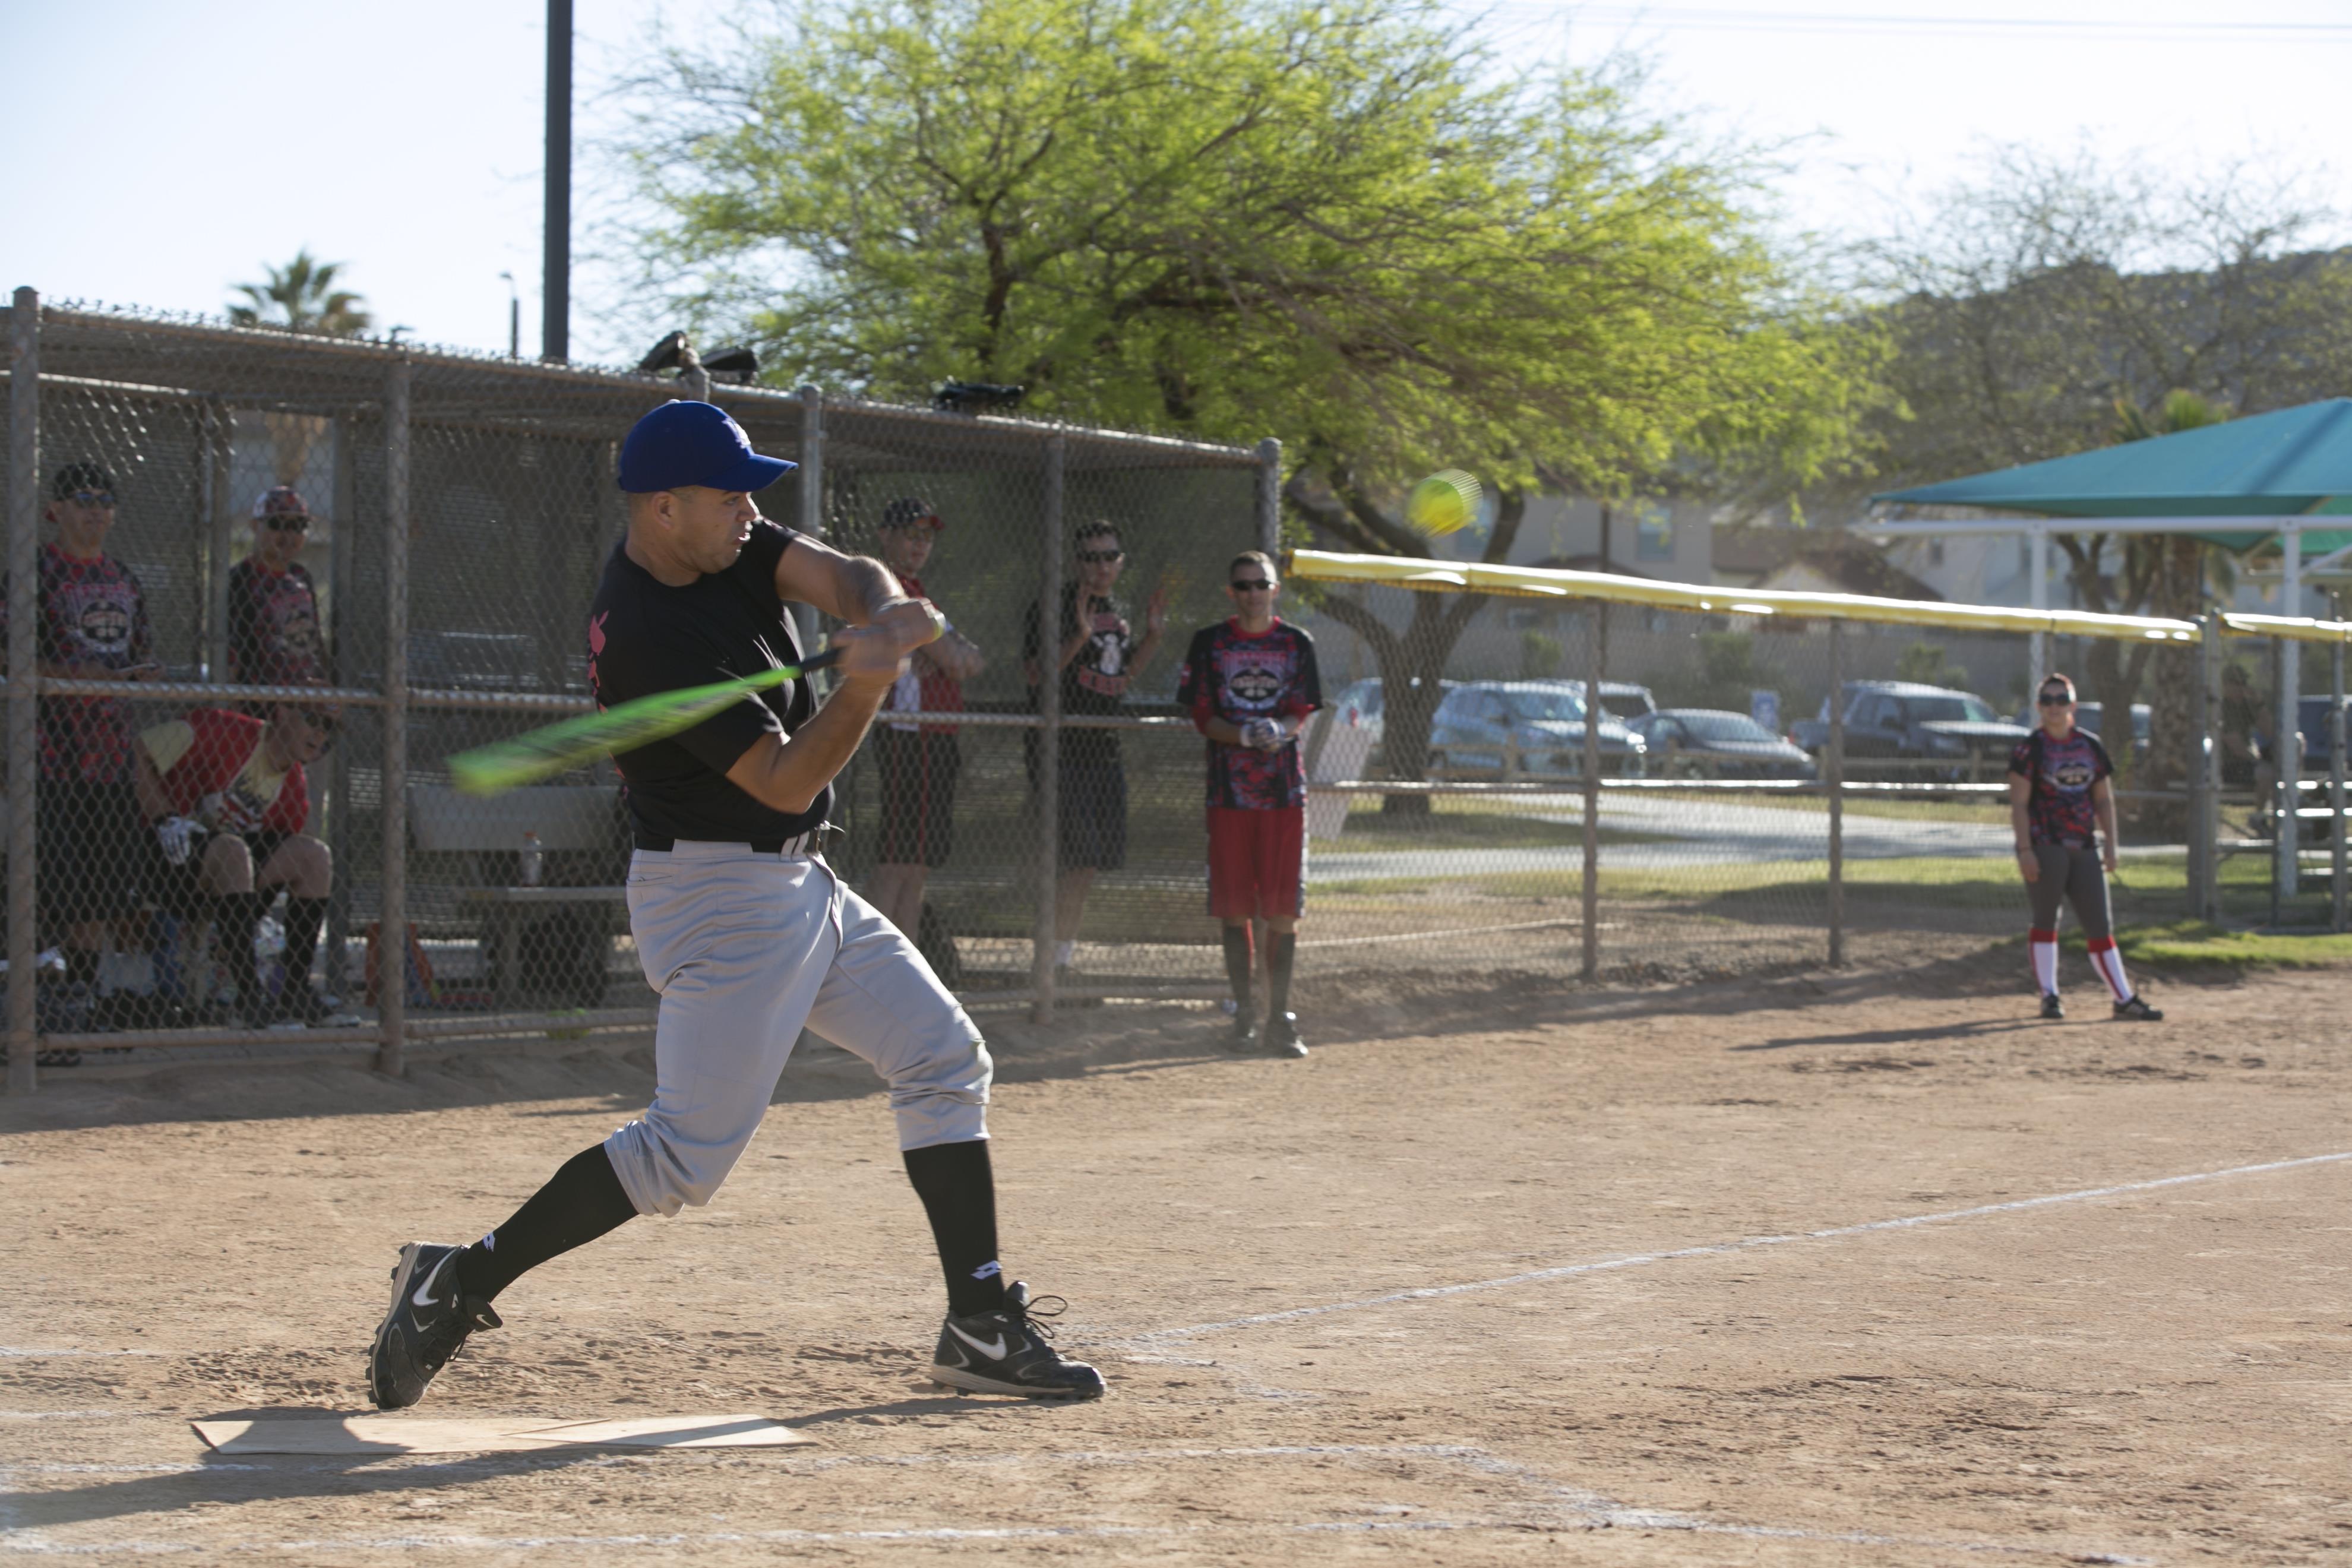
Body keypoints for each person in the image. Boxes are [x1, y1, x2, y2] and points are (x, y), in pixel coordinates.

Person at [368, 400, 1102, 1411]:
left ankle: (976, 1320)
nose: (751, 512)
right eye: (730, 496)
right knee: (680, 1156)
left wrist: (883, 609)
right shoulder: (651, 636)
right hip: (720, 893)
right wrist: (866, 686)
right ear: (664, 509)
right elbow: (788, 779)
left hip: (797, 883)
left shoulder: (730, 545)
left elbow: (843, 575)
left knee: (942, 1057)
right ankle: (460, 1280)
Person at [0, 463, 170, 1046]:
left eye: (104, 500)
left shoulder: (122, 577)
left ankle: (81, 1004)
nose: (94, 510)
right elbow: (13, 661)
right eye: (81, 499)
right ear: (56, 510)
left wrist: (141, 674)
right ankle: (35, 1011)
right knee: (51, 883)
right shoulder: (34, 573)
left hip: (111, 757)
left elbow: (142, 651)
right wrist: (76, 676)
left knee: (100, 890)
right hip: (50, 756)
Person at [1177, 551, 1321, 1057]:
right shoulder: (1211, 644)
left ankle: (1280, 1018)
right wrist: (1242, 734)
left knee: (1282, 911)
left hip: (1283, 796)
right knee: (1235, 911)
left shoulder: (1296, 644)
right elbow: (1201, 716)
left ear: (1276, 589)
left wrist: (1279, 729)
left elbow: (1300, 711)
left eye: (1262, 583)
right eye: (1243, 585)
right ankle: (1244, 1017)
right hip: (1229, 796)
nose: (1253, 592)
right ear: (1230, 593)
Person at [1020, 520, 1166, 975]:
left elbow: (1120, 679)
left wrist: (1153, 638)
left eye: (1110, 557)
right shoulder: (1054, 605)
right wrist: (1078, 637)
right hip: (1061, 749)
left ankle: (1060, 962)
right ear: (1077, 561)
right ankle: (1046, 964)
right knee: (1070, 860)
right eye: (1091, 557)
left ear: (1120, 563)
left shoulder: (1117, 610)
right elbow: (1035, 675)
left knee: (1089, 864)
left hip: (1104, 746)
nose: (1101, 567)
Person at [141, 702, 345, 1028]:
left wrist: (247, 919)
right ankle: (249, 1000)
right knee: (233, 850)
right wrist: (164, 817)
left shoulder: (293, 788)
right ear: (281, 712)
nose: (320, 734)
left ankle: (293, 989)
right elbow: (141, 748)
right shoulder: (223, 728)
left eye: (331, 728)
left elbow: (269, 865)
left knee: (314, 855)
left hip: (221, 876)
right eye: (313, 720)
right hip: (160, 855)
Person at [2009, 671, 2161, 1023]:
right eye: (2047, 701)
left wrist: (2111, 844)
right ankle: (2050, 995)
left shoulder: (2090, 746)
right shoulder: (2029, 749)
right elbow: (2018, 805)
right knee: (2047, 920)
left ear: (2073, 704)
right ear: (2038, 707)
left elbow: (2104, 800)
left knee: (2099, 925)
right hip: (2047, 844)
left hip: (2085, 844)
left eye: (2061, 700)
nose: (2054, 707)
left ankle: (2123, 997)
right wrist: (2025, 850)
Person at [865, 497, 984, 939]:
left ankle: (906, 970)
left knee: (917, 864)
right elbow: (954, 660)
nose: (920, 545)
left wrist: (951, 656)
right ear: (886, 536)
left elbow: (971, 659)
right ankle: (865, 963)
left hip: (936, 734)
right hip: (907, 733)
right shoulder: (890, 588)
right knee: (896, 860)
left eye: (927, 536)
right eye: (910, 534)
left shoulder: (922, 594)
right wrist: (950, 657)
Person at [226, 486, 329, 696]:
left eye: (299, 526)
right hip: (259, 696)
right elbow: (230, 651)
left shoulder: (301, 577)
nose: (289, 535)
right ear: (256, 526)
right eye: (278, 524)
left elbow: (314, 641)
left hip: (305, 693)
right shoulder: (240, 579)